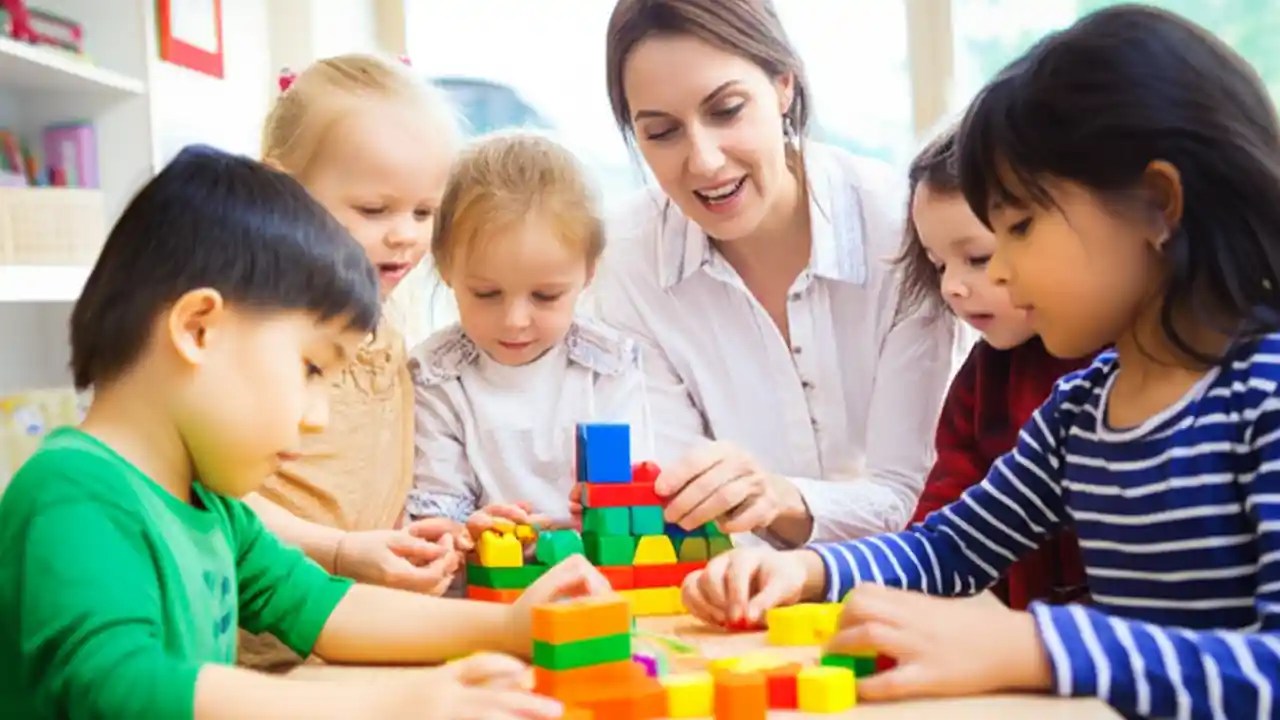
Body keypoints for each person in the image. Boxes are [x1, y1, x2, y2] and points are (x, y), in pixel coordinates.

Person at [679, 6, 1280, 717]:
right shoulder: (1081, 411)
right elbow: (948, 549)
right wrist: (803, 570)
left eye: (1020, 227)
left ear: (1155, 205)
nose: (1003, 268)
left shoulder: (1262, 394)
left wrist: (1034, 648)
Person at [0, 146, 606, 719]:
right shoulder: (73, 493)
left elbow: (327, 609)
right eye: (312, 368)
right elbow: (115, 684)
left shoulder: (213, 508)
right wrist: (385, 708)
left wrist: (508, 628)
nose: (317, 415)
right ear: (199, 329)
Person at [593, 0, 956, 549]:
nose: (705, 161)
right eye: (663, 132)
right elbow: (679, 509)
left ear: (783, 85)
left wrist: (780, 497)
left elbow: (913, 495)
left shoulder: (900, 227)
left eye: (727, 110)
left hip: (912, 587)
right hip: (731, 602)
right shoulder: (626, 260)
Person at [248, 54, 465, 602]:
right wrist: (340, 550)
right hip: (260, 634)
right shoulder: (255, 332)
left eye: (423, 212)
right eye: (374, 210)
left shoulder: (384, 328)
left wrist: (418, 538)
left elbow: (378, 481)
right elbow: (211, 501)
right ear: (283, 190)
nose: (406, 237)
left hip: (351, 619)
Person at [407, 132, 647, 538]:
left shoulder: (608, 364)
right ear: (446, 267)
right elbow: (436, 506)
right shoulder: (435, 376)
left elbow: (629, 492)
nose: (515, 320)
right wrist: (470, 529)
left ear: (588, 272)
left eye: (545, 296)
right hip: (483, 580)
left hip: (598, 567)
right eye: (487, 294)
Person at [895, 126, 1090, 609]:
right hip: (1030, 654)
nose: (952, 287)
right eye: (938, 265)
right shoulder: (986, 374)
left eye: (977, 258)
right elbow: (944, 519)